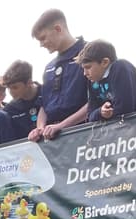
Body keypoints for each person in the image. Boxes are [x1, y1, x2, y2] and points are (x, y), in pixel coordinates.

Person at [28, 10, 90, 142]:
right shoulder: (49, 67)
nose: (41, 44)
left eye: (43, 38)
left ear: (58, 29)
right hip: (55, 142)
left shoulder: (90, 54)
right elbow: (45, 105)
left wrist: (62, 126)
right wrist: (40, 129)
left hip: (85, 135)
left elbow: (96, 100)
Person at [76, 40, 136, 123]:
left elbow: (125, 108)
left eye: (88, 67)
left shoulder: (120, 68)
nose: (85, 73)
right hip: (125, 126)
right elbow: (90, 116)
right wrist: (101, 112)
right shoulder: (93, 80)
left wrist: (105, 113)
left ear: (105, 62)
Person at [1, 60, 43, 138]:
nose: (11, 92)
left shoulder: (49, 95)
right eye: (8, 88)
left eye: (15, 87)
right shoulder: (9, 110)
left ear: (29, 82)